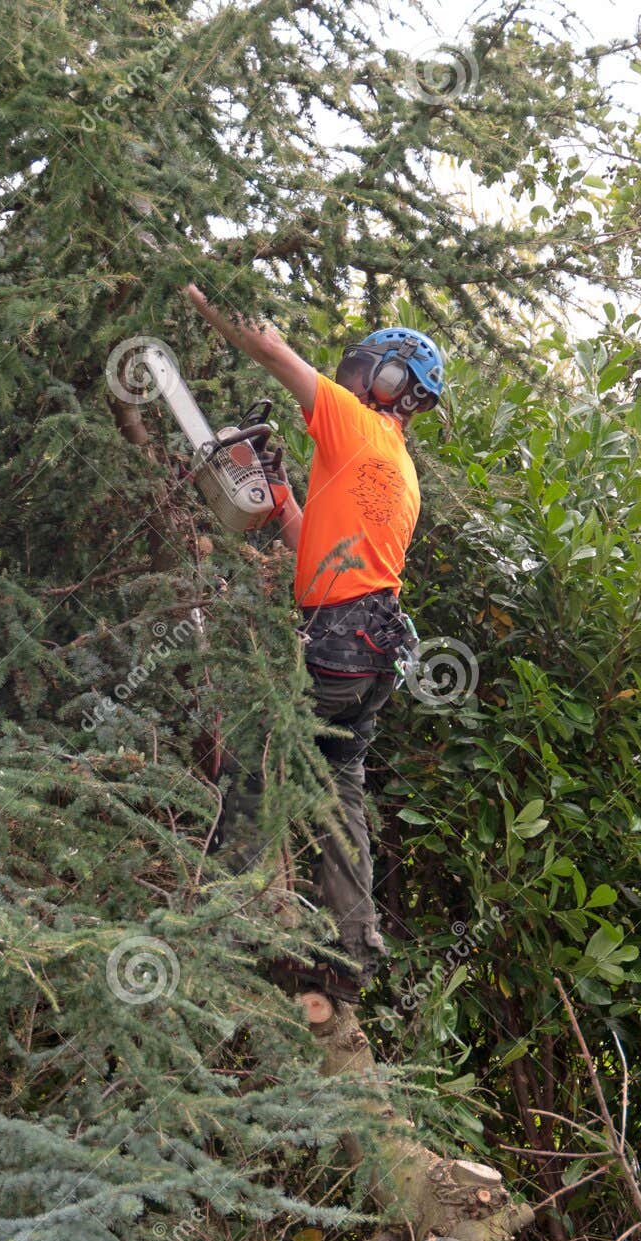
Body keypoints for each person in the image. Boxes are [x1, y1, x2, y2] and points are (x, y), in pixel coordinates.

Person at [184, 283, 444, 1000]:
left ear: (386, 379)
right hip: (372, 647)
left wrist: (194, 281)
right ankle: (354, 949)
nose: (350, 374)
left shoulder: (352, 419)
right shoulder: (392, 463)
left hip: (337, 642)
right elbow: (322, 556)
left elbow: (264, 344)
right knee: (339, 787)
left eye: (364, 367)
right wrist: (286, 499)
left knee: (254, 758)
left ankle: (223, 921)